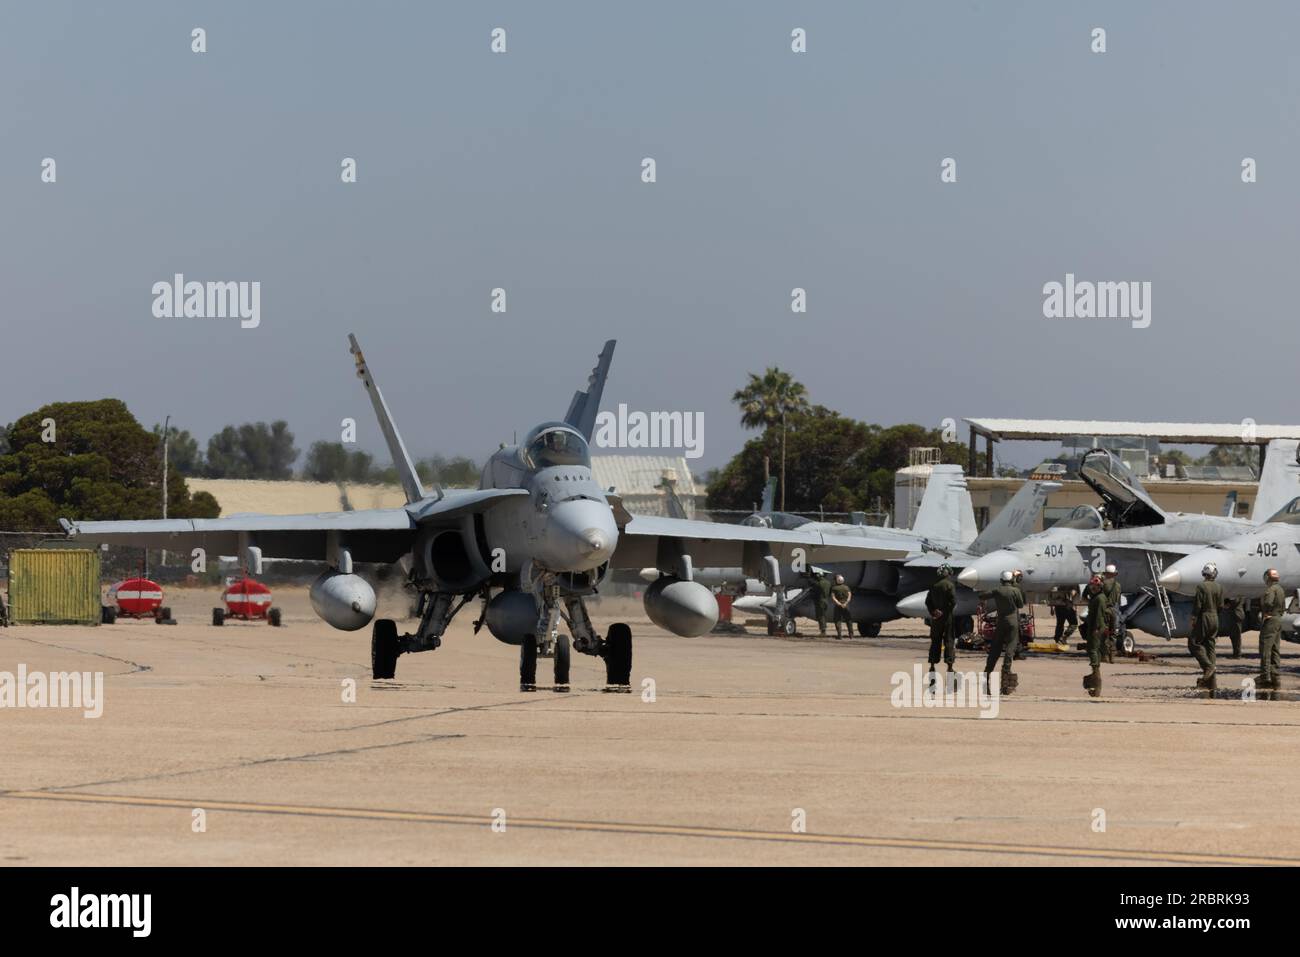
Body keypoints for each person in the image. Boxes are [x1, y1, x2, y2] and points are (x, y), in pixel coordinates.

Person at [979, 570, 1023, 694]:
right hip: (1013, 622)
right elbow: (1020, 604)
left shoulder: (997, 590)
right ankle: (1005, 682)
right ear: (1011, 580)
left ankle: (986, 678)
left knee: (995, 650)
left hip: (1001, 622)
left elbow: (982, 596)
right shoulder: (1015, 590)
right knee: (1010, 649)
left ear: (1001, 580)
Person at [1189, 562, 1224, 690]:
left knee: (1194, 643)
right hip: (1215, 618)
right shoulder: (1219, 587)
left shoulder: (1201, 586)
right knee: (1211, 647)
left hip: (1204, 617)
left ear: (1204, 573)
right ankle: (1211, 681)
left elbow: (1197, 605)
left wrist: (1193, 617)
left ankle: (1208, 667)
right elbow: (1221, 606)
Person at [925, 564, 958, 678]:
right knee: (949, 641)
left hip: (936, 619)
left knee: (935, 641)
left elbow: (927, 601)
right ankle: (950, 667)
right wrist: (944, 611)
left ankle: (932, 666)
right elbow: (953, 601)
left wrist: (934, 612)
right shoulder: (949, 585)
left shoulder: (934, 585)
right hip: (947, 618)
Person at [1258, 569, 1285, 690]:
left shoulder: (1271, 590)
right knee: (1275, 648)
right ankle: (1276, 676)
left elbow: (1268, 602)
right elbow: (1283, 606)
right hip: (1278, 619)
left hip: (1270, 620)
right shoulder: (1280, 589)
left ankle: (1265, 676)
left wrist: (1266, 612)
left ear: (1267, 578)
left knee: (1265, 647)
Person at [1082, 576, 1109, 696]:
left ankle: (1096, 678)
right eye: (1091, 587)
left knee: (1093, 650)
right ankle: (1095, 675)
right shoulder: (1096, 597)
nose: (1092, 589)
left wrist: (1096, 629)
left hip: (1096, 628)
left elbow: (1099, 616)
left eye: (1095, 587)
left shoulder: (1099, 599)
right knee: (1092, 649)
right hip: (1093, 627)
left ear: (1100, 587)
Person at [1101, 564, 1122, 662]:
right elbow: (1118, 601)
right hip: (1114, 611)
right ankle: (1112, 656)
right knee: (1113, 633)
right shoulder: (1118, 585)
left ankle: (1104, 656)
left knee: (1105, 633)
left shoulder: (1102, 584)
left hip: (1104, 611)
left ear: (1106, 573)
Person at [830, 574, 853, 639]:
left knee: (837, 620)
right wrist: (845, 603)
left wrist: (839, 603)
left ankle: (839, 635)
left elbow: (833, 597)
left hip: (838, 606)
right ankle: (851, 634)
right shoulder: (847, 587)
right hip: (846, 605)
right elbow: (849, 596)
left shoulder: (834, 588)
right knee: (848, 620)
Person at [812, 571, 831, 637]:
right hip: (826, 601)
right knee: (823, 615)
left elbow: (815, 591)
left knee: (821, 616)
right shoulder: (828, 583)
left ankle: (823, 631)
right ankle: (823, 629)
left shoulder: (818, 583)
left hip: (820, 601)